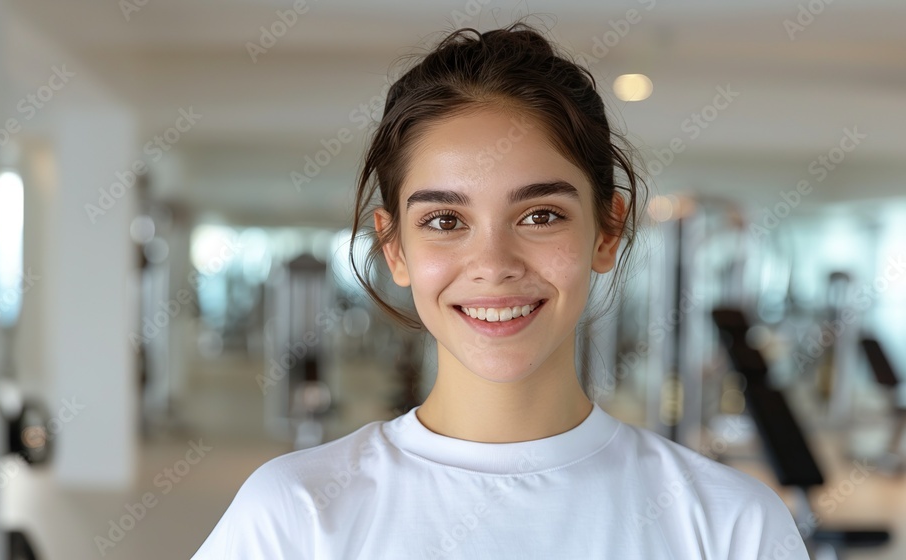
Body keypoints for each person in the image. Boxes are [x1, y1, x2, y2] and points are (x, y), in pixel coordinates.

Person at [192, 22, 810, 559]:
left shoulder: (731, 524)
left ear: (608, 230)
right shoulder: (294, 513)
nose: (493, 264)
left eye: (540, 215)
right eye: (444, 221)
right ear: (395, 247)